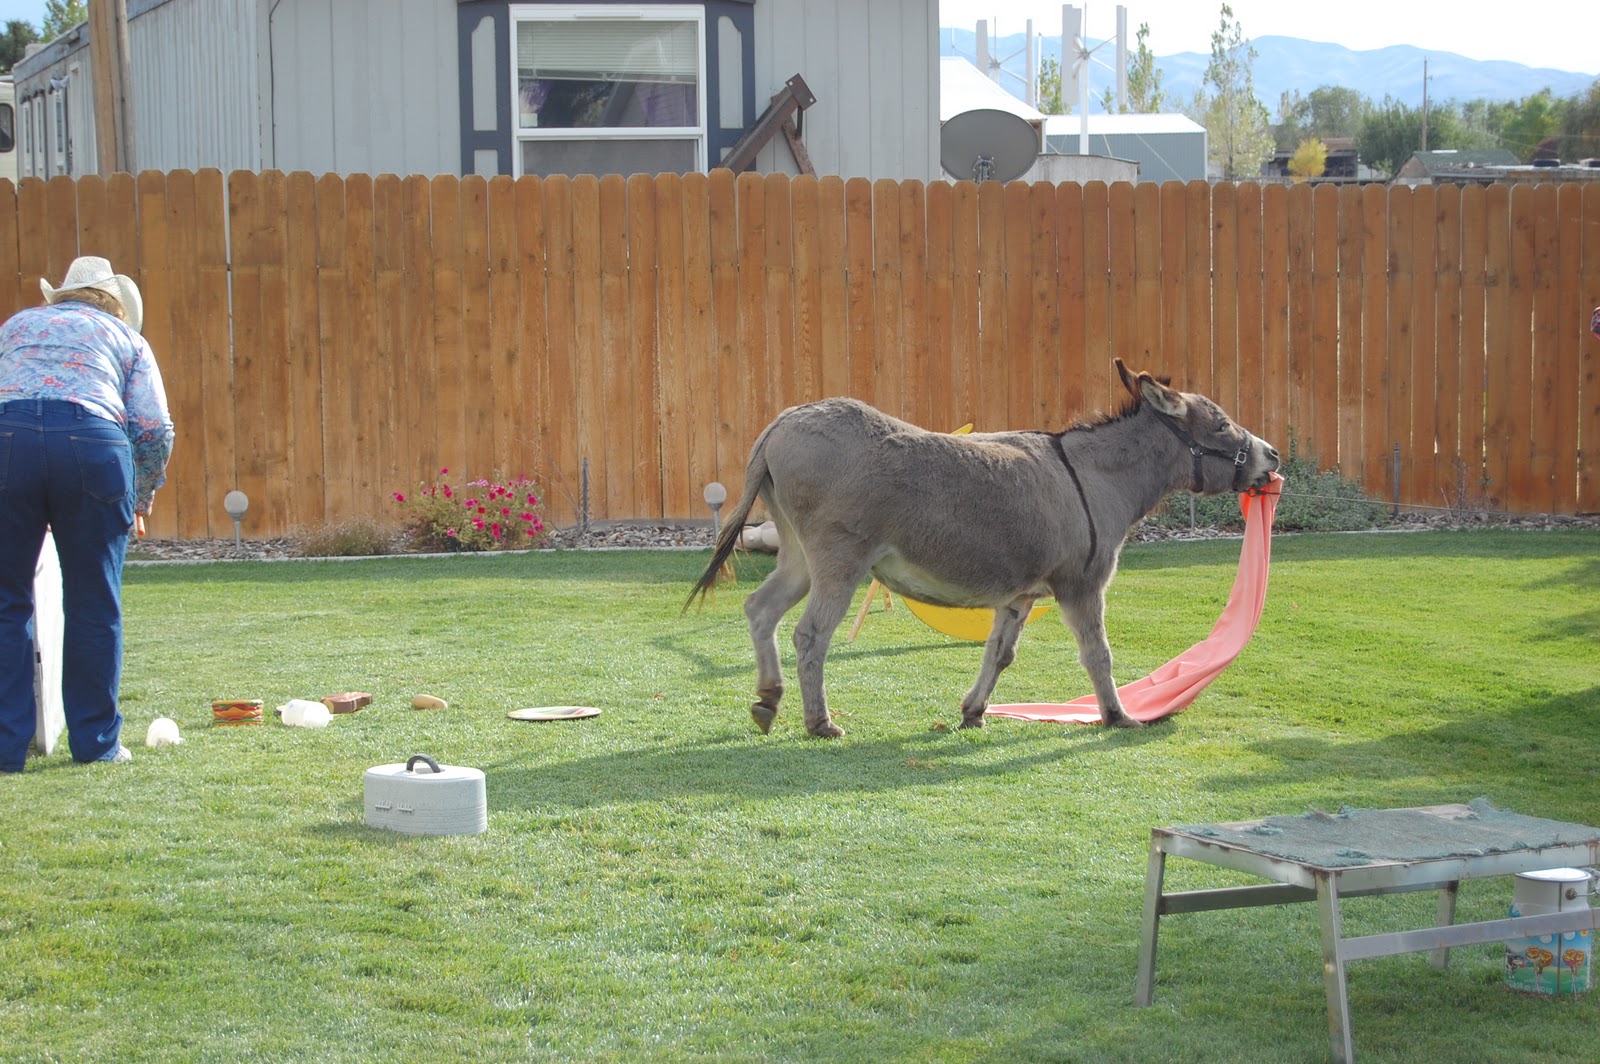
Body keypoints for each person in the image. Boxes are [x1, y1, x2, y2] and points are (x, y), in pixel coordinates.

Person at [0, 257, 174, 772]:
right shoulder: (126, 340)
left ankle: (6, 750)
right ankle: (96, 744)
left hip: (7, 443)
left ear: (63, 297)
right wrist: (142, 495)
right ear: (115, 304)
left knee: (6, 602)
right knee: (93, 601)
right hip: (93, 444)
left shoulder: (15, 326)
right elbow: (153, 427)